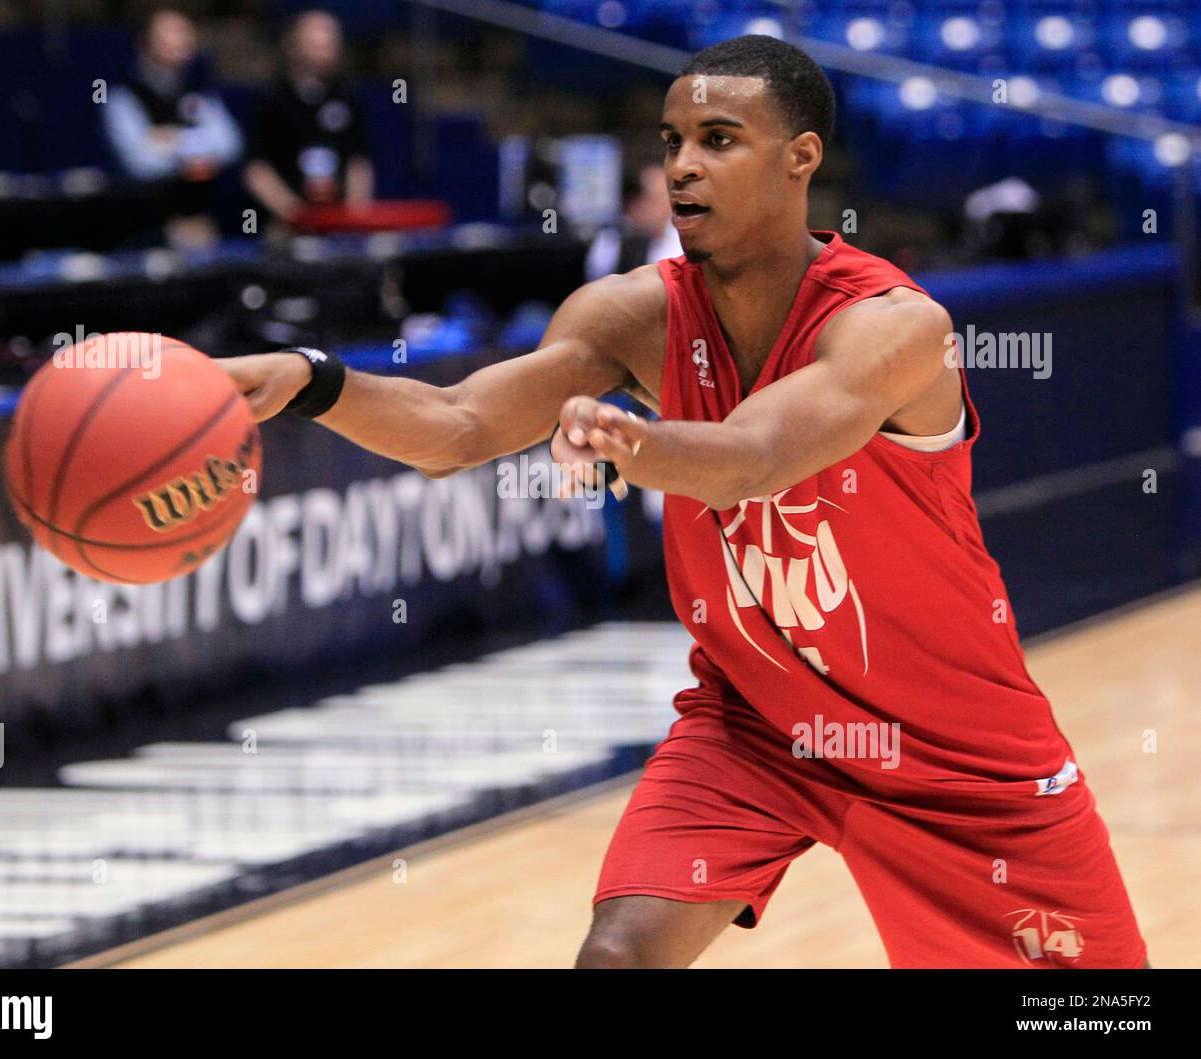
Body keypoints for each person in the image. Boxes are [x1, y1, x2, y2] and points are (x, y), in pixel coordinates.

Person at [218, 35, 1148, 969]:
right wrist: (310, 379)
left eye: (717, 139)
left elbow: (756, 455)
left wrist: (632, 442)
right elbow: (457, 425)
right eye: (670, 142)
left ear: (802, 158)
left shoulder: (895, 328)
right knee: (618, 956)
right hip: (756, 724)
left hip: (956, 753)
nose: (682, 166)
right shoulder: (631, 314)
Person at [101, 8, 243, 246]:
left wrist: (171, 139)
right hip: (146, 228)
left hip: (199, 221)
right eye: (170, 33)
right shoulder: (122, 96)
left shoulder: (198, 90)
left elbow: (229, 146)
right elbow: (140, 164)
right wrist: (198, 148)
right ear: (146, 42)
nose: (181, 40)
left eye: (185, 32)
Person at [243, 10, 374, 224]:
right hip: (286, 223)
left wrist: (354, 216)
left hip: (339, 224)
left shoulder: (347, 99)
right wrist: (295, 214)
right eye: (317, 40)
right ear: (293, 44)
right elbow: (256, 170)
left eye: (331, 39)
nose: (325, 45)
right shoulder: (271, 101)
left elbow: (358, 162)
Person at [584, 164, 683, 281]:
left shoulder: (683, 242)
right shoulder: (611, 241)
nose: (667, 208)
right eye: (657, 200)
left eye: (671, 199)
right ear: (635, 204)